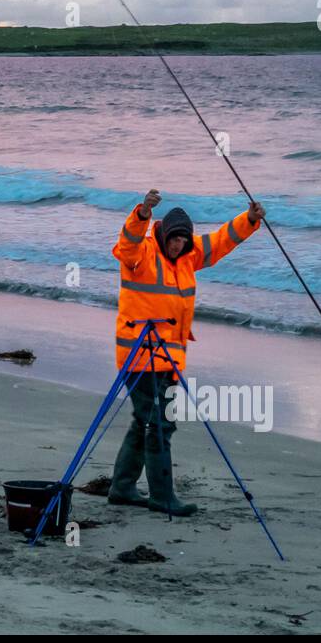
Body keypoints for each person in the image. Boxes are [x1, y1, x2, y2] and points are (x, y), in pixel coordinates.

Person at [107, 189, 265, 515]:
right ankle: (163, 496)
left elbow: (221, 240)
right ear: (163, 235)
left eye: (183, 239)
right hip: (139, 354)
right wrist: (142, 213)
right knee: (161, 423)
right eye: (174, 239)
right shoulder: (142, 254)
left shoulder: (189, 258)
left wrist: (249, 220)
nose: (178, 244)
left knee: (145, 420)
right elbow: (126, 242)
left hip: (169, 357)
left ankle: (122, 487)